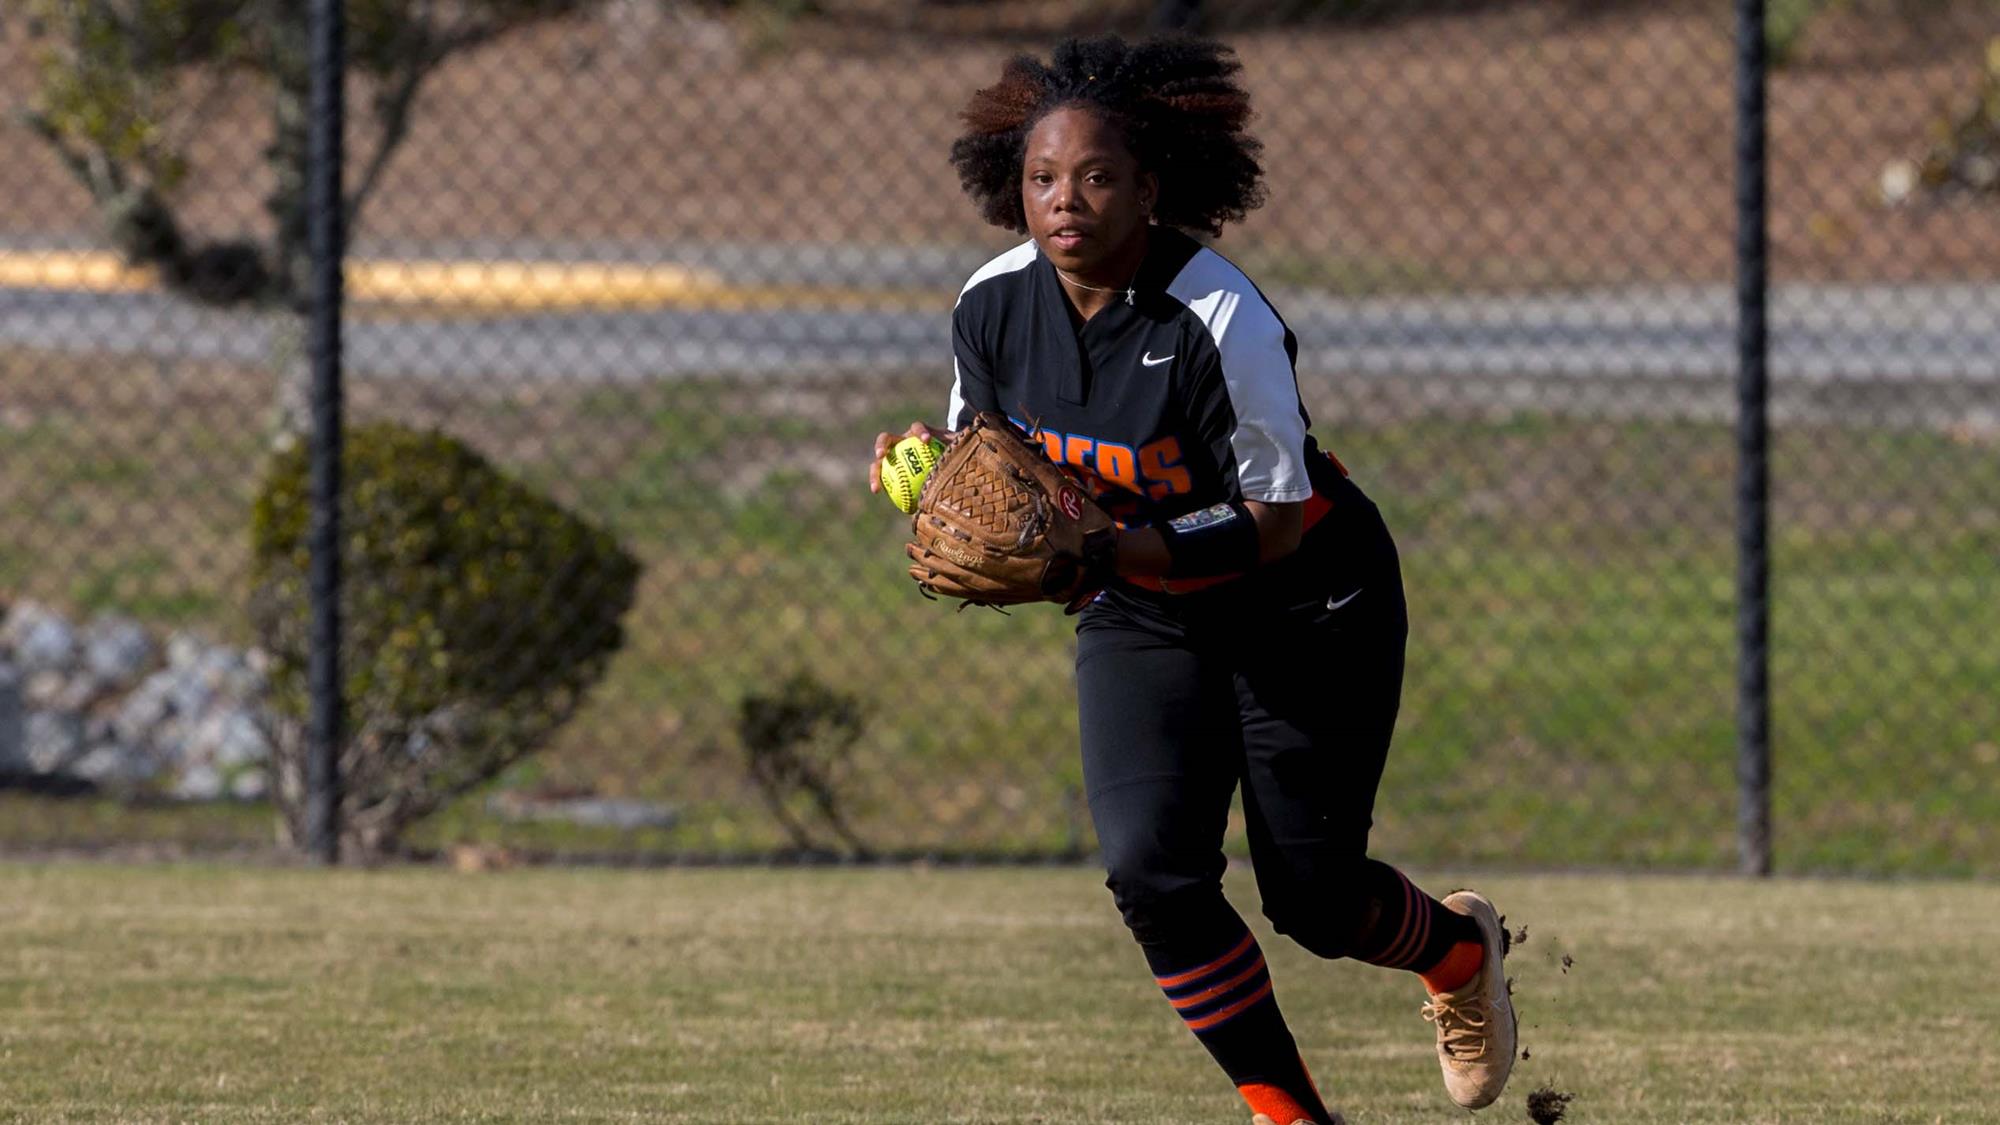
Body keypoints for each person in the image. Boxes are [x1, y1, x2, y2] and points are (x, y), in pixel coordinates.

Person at [868, 35, 1515, 1125]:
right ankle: (1292, 1119)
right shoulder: (989, 306)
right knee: (1150, 878)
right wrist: (924, 474)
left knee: (1310, 901)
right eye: (1040, 178)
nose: (1063, 200)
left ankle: (1455, 954)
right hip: (1140, 609)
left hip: (1302, 601)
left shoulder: (1219, 318)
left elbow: (1267, 522)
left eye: (1096, 175)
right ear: (1010, 190)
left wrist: (1103, 552)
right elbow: (991, 460)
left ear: (1151, 188)